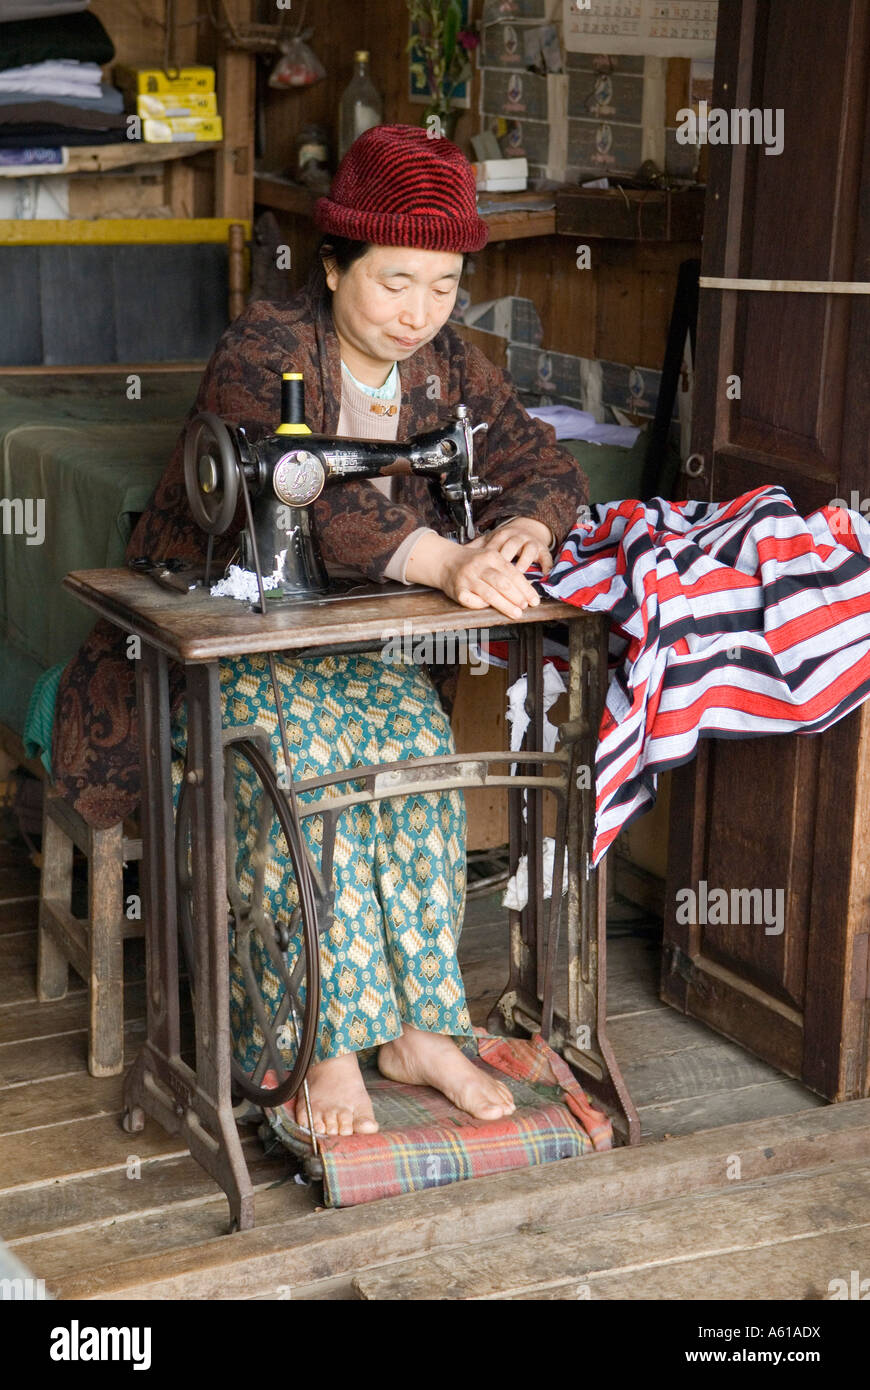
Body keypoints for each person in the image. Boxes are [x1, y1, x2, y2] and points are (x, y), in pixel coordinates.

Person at [52, 124, 589, 1139]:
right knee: (295, 765)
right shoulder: (263, 352)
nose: (417, 313)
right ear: (334, 263)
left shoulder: (452, 368)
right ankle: (321, 1041)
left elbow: (546, 463)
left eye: (441, 287)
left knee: (418, 752)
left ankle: (420, 1026)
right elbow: (304, 499)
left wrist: (525, 525)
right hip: (214, 630)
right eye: (395, 282)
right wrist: (446, 559)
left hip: (348, 639)